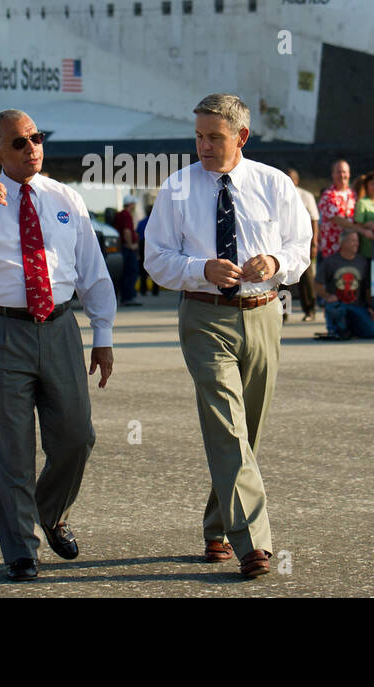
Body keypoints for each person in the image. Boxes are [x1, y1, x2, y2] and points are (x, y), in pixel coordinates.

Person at [0, 109, 116, 581]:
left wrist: (104, 334)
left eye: (36, 138)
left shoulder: (65, 197)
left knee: (77, 436)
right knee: (11, 447)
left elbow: (92, 270)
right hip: (0, 332)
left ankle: (50, 512)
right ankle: (21, 549)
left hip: (58, 328)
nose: (31, 147)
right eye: (19, 142)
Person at [143, 93, 311, 578]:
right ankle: (253, 541)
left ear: (241, 137)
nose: (203, 145)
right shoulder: (177, 189)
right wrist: (200, 269)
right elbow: (156, 260)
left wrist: (277, 262)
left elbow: (301, 247)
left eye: (213, 136)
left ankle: (217, 525)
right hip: (204, 317)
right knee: (225, 423)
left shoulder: (275, 184)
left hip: (264, 314)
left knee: (245, 430)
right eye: (197, 135)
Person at [315, 231, 374, 340]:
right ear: (343, 243)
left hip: (358, 305)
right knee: (335, 310)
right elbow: (317, 284)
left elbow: (367, 288)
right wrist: (327, 296)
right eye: (353, 241)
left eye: (357, 241)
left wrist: (371, 307)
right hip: (339, 305)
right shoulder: (330, 261)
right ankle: (337, 329)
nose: (356, 244)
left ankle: (353, 328)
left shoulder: (363, 262)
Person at [288, 169, 319, 323]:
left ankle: (310, 310)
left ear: (297, 180)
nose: (288, 180)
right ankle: (283, 313)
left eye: (291, 178)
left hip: (302, 244)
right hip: (283, 244)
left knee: (306, 279)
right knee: (282, 281)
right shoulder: (278, 193)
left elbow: (314, 219)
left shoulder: (306, 196)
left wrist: (314, 244)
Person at [317, 160, 357, 259]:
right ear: (333, 175)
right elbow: (337, 219)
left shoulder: (353, 195)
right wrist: (361, 229)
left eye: (344, 172)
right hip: (331, 251)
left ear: (349, 174)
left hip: (350, 252)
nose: (342, 175)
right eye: (338, 172)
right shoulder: (328, 195)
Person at [114, 194, 141, 306]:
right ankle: (128, 297)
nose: (135, 206)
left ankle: (126, 297)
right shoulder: (126, 214)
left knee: (126, 273)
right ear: (130, 204)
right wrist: (131, 245)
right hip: (127, 249)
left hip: (122, 249)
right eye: (134, 203)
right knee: (132, 272)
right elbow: (127, 231)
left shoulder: (120, 214)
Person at [136, 205, 159, 297]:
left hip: (142, 245)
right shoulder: (157, 223)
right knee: (156, 267)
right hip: (154, 245)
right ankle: (155, 291)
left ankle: (143, 290)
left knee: (143, 270)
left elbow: (137, 235)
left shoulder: (141, 222)